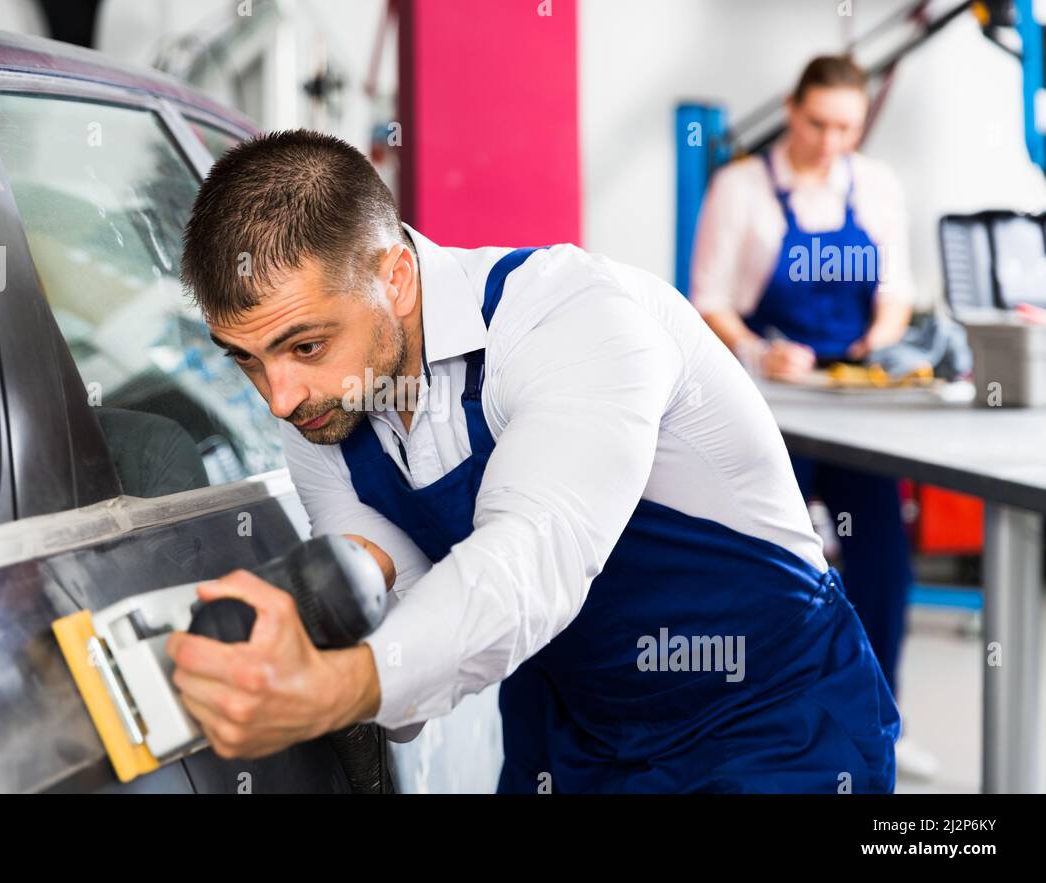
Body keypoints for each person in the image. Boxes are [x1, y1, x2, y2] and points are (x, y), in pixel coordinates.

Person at [164, 128, 899, 792]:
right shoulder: (323, 417)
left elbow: (531, 561)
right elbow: (412, 659)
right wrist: (305, 639)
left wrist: (331, 687)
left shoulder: (572, 319)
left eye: (305, 345)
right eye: (247, 361)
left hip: (767, 719)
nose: (279, 399)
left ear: (393, 277)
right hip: (574, 728)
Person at [689, 55, 933, 779]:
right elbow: (706, 301)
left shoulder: (877, 186)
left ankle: (880, 716)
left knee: (884, 561)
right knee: (775, 566)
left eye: (847, 128)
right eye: (819, 123)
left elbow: (896, 294)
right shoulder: (740, 188)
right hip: (773, 411)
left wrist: (881, 342)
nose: (831, 141)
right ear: (792, 110)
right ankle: (764, 729)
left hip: (858, 406)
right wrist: (762, 352)